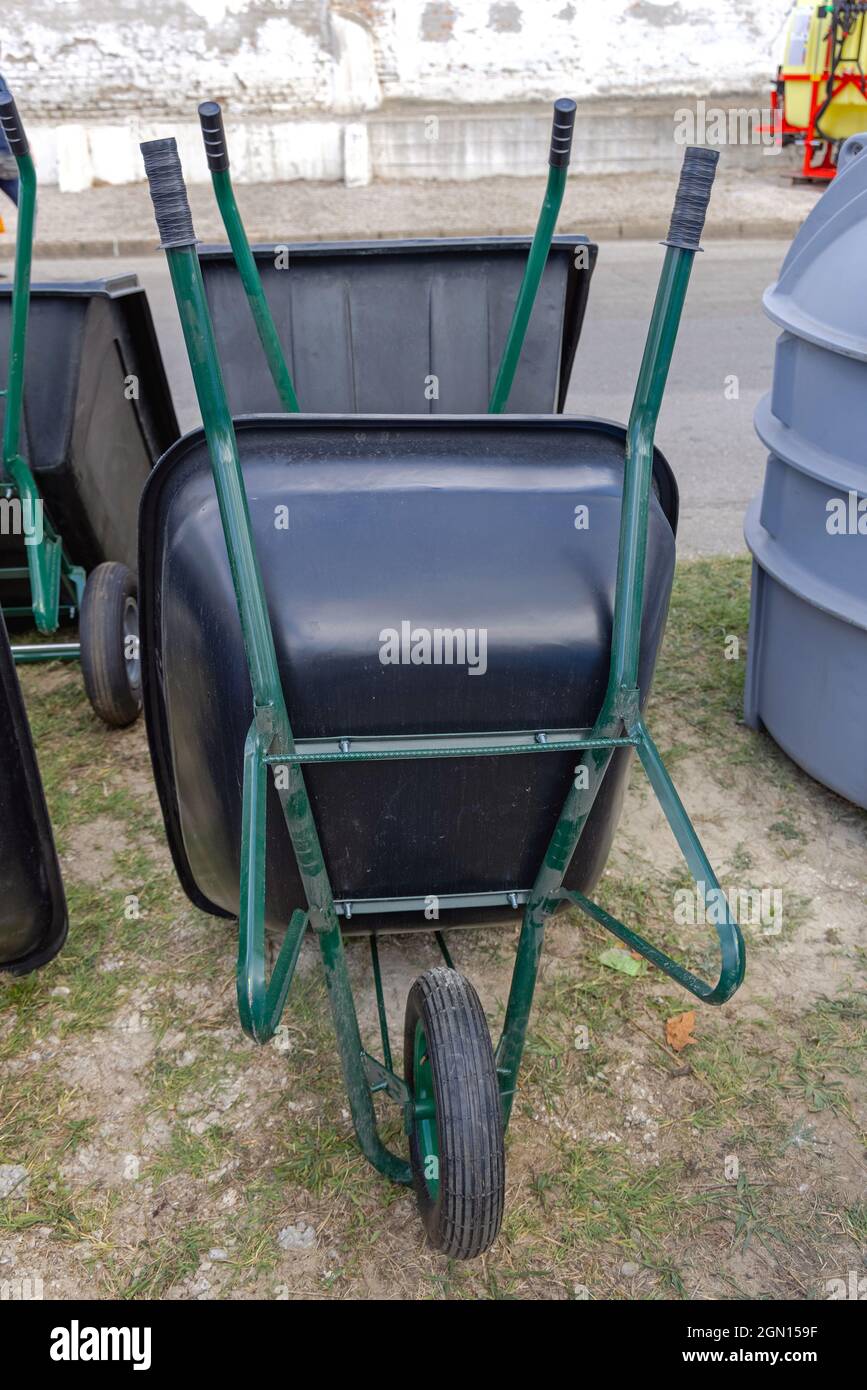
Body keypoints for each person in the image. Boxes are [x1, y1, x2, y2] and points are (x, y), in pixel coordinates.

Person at [0, 72, 19, 207]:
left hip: (5, 152)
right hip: (5, 151)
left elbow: (10, 112)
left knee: (27, 204)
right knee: (27, 204)